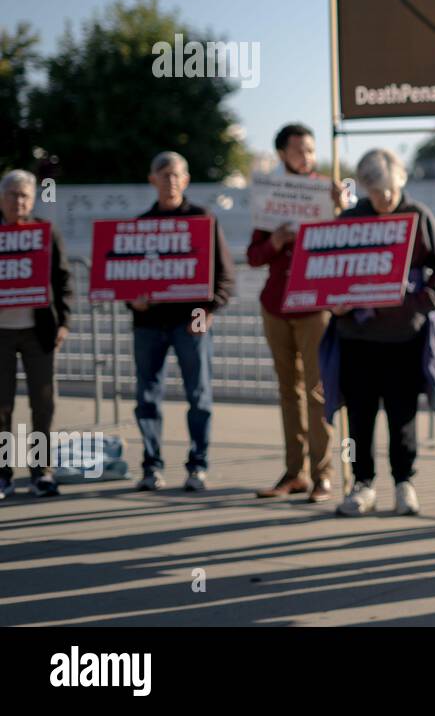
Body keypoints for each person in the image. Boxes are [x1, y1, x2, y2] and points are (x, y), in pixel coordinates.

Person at [334, 148, 435, 517]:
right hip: (358, 336)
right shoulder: (351, 218)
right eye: (376, 192)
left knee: (403, 415)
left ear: (401, 181)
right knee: (359, 415)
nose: (385, 198)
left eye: (389, 190)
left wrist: (418, 302)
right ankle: (362, 483)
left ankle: (405, 483)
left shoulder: (418, 215)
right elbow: (329, 268)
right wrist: (334, 300)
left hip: (405, 336)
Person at [131, 152, 235, 492]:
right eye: (163, 174)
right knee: (147, 396)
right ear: (152, 180)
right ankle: (152, 466)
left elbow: (224, 276)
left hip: (190, 322)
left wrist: (205, 312)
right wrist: (133, 300)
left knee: (199, 395)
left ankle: (198, 466)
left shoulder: (203, 219)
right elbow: (125, 278)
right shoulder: (141, 224)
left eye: (176, 174)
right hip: (149, 324)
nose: (170, 180)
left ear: (186, 180)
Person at [248, 124, 336, 503]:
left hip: (315, 305)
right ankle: (294, 472)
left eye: (311, 151)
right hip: (276, 305)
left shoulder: (326, 192)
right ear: (283, 153)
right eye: (300, 150)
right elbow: (253, 257)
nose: (307, 157)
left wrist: (338, 207)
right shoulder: (268, 196)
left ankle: (323, 475)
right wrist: (276, 242)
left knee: (318, 392)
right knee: (289, 392)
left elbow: (343, 244)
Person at [0, 170, 72, 499]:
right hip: (1, 332)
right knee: (1, 408)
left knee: (42, 405)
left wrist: (64, 322)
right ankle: (3, 474)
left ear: (33, 199)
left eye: (25, 195)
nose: (19, 201)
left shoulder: (46, 232)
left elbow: (63, 280)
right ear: (2, 199)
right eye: (13, 194)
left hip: (38, 332)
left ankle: (41, 472)